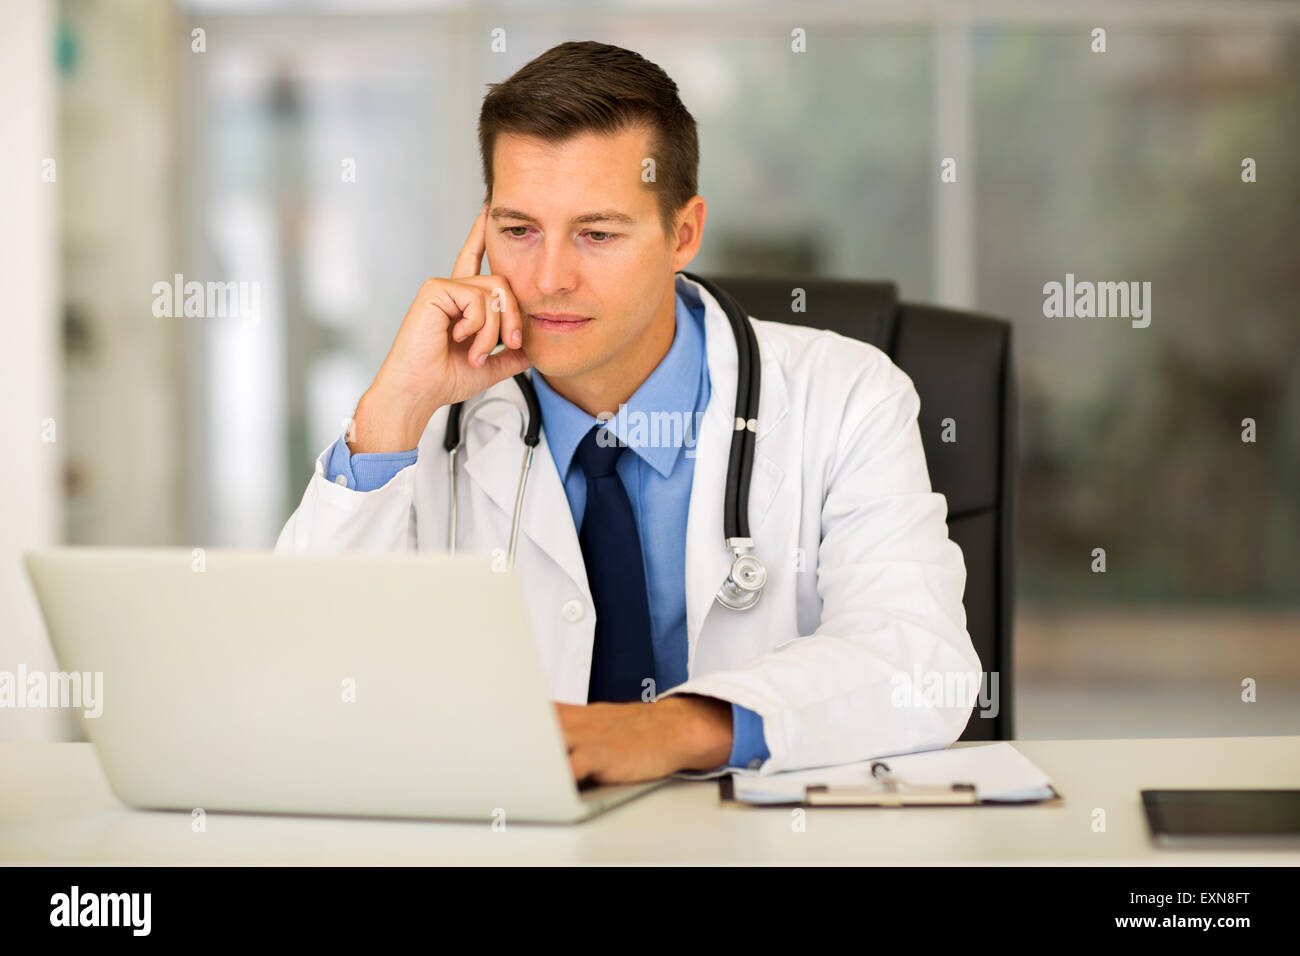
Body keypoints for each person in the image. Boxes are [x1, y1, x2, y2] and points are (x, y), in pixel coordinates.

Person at [276, 40, 981, 786]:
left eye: (598, 234)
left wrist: (667, 729)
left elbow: (916, 658)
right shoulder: (432, 424)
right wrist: (395, 409)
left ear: (684, 232)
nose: (549, 279)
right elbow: (305, 683)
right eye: (519, 231)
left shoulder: (843, 393)